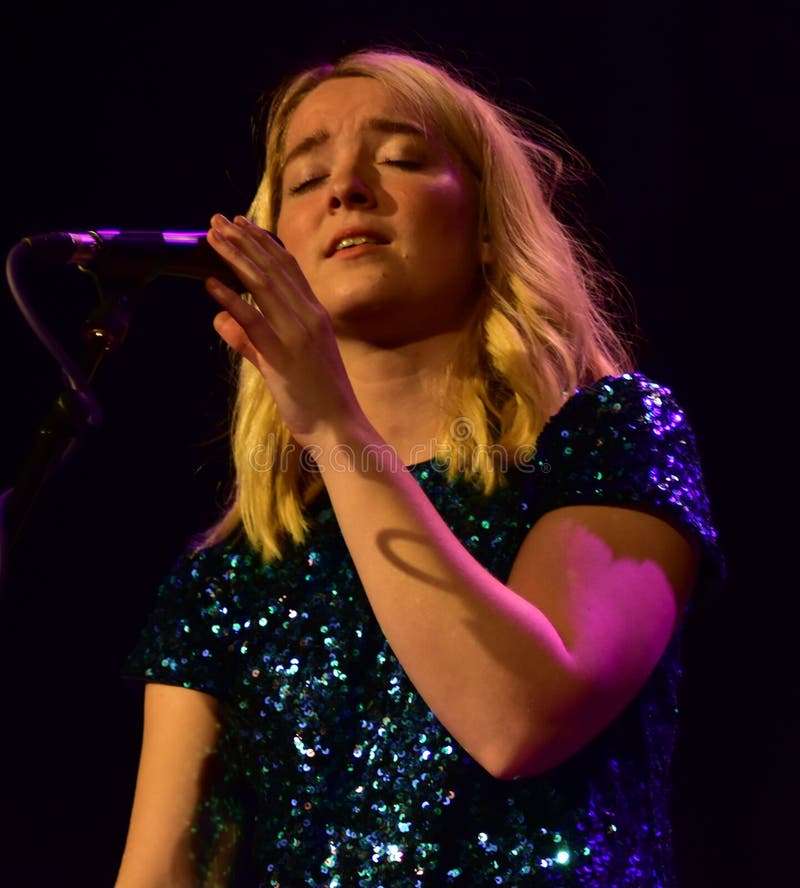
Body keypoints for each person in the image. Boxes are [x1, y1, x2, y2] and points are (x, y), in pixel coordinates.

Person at [113, 47, 721, 887]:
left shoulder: (609, 438)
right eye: (306, 178)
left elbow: (517, 721)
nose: (346, 188)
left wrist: (333, 424)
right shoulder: (228, 578)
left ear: (486, 228)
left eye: (400, 158)